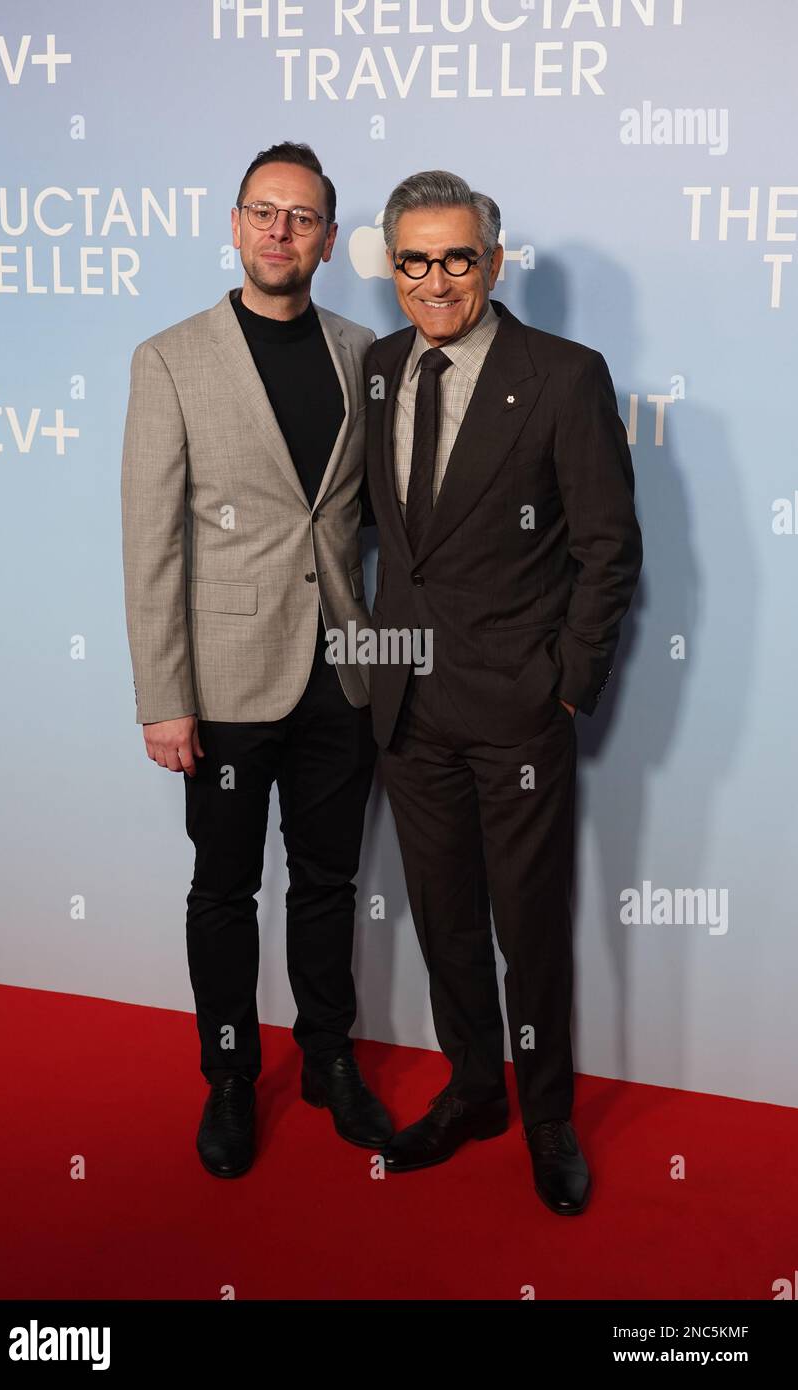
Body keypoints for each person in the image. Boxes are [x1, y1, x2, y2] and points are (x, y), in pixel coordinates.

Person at [364, 170, 643, 1214]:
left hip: (517, 709)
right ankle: (473, 1088)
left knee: (528, 926)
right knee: (443, 920)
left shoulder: (562, 375)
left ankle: (547, 1116)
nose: (435, 279)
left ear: (492, 256)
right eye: (413, 259)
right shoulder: (382, 369)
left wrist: (565, 686)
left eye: (455, 256)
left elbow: (607, 547)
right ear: (391, 267)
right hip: (406, 708)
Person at [121, 141, 392, 1179]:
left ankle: (328, 1058)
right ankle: (230, 1077)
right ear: (234, 225)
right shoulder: (170, 358)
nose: (281, 232)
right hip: (226, 678)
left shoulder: (363, 352)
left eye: (303, 217)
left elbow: (375, 518)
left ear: (327, 239)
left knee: (329, 878)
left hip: (342, 671)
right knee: (223, 885)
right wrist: (163, 698)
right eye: (263, 212)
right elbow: (150, 540)